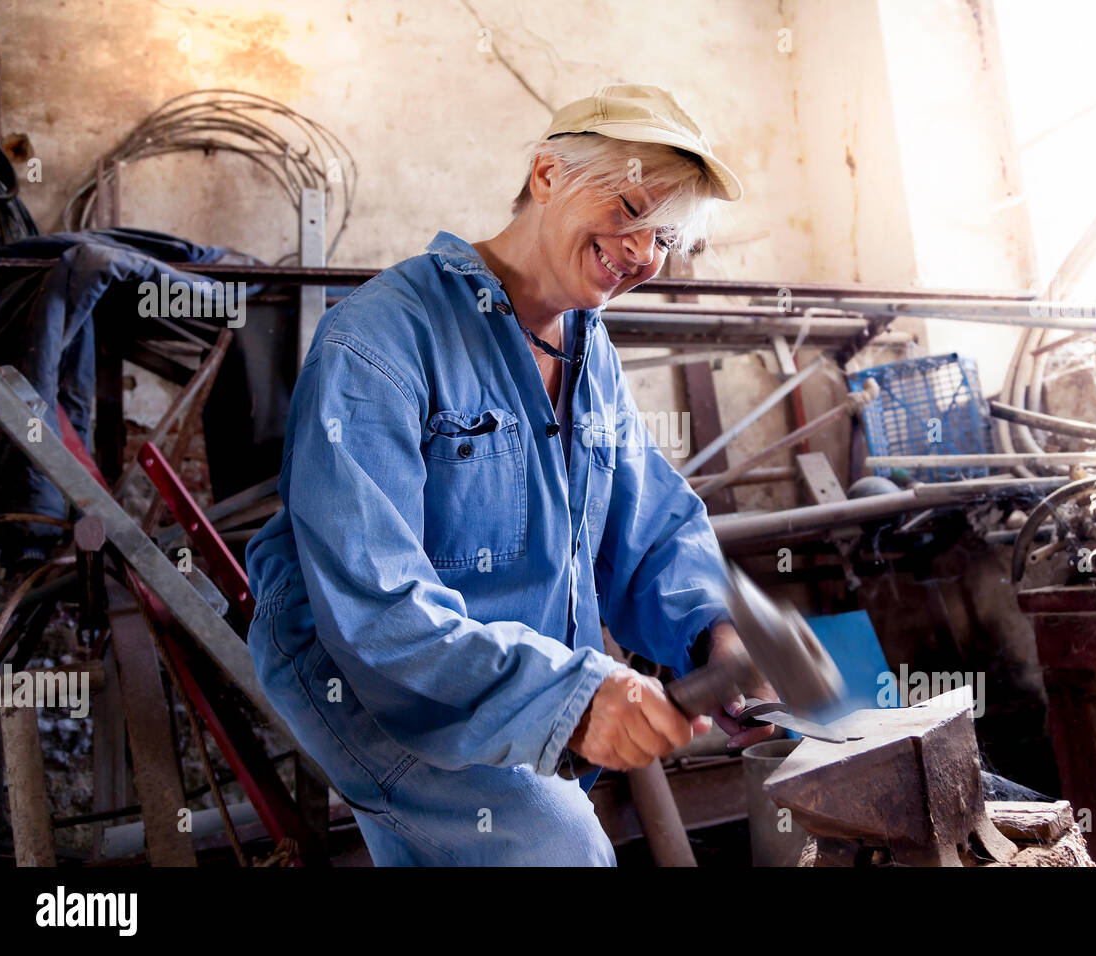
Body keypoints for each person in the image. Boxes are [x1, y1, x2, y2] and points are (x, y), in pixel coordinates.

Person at [245, 84, 774, 865]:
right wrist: (573, 696)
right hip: (364, 674)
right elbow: (376, 602)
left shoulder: (591, 358)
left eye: (663, 236)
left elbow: (650, 528)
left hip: (506, 677)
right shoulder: (379, 338)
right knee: (553, 844)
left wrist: (716, 638)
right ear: (547, 175)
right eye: (630, 207)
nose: (641, 252)